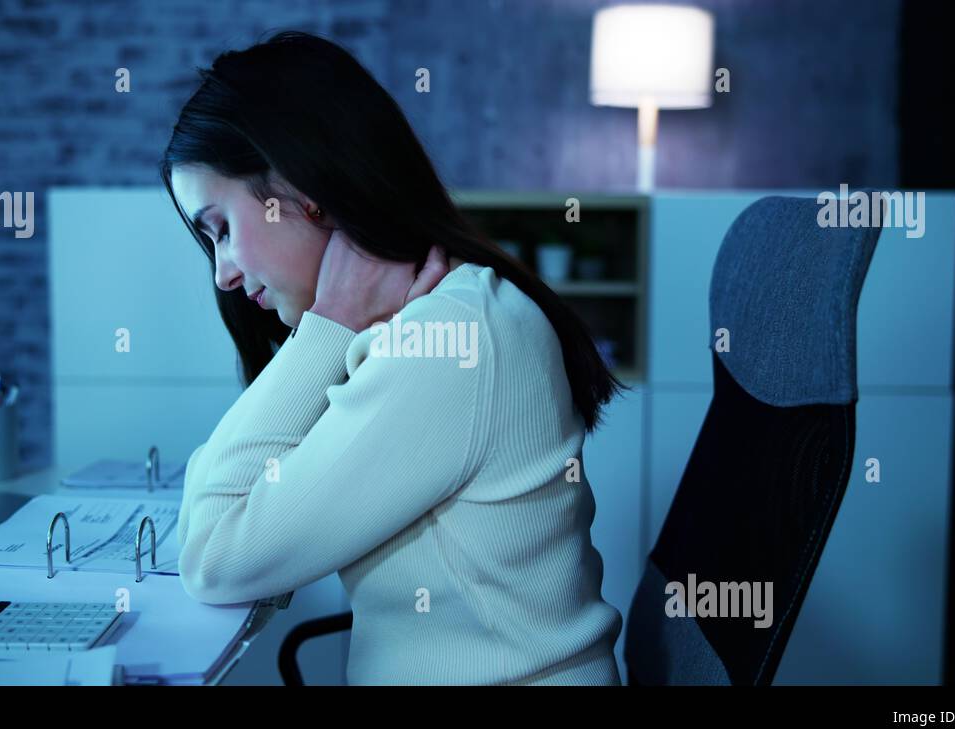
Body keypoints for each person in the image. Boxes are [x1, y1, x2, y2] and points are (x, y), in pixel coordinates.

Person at [161, 30, 631, 685]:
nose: (225, 274)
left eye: (223, 229)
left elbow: (212, 553)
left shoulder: (454, 336)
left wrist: (325, 327)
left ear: (299, 183)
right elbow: (223, 528)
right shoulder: (424, 319)